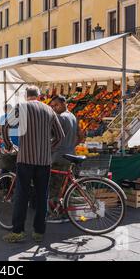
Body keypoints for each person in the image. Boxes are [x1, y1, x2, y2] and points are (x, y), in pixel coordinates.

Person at [2, 86, 65, 243]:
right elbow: (60, 136)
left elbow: (5, 127)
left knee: (21, 195)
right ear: (39, 96)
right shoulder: (49, 110)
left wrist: (9, 145)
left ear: (26, 96)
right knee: (42, 195)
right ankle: (39, 232)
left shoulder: (21, 107)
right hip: (44, 161)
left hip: (25, 159)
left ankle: (18, 231)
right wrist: (48, 149)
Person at [48, 95, 82, 223]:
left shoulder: (60, 118)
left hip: (58, 157)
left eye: (56, 105)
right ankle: (67, 213)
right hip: (70, 155)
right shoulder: (73, 116)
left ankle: (56, 215)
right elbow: (81, 136)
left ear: (63, 104)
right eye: (52, 106)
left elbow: (51, 136)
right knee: (66, 187)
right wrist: (71, 146)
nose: (54, 108)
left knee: (55, 187)